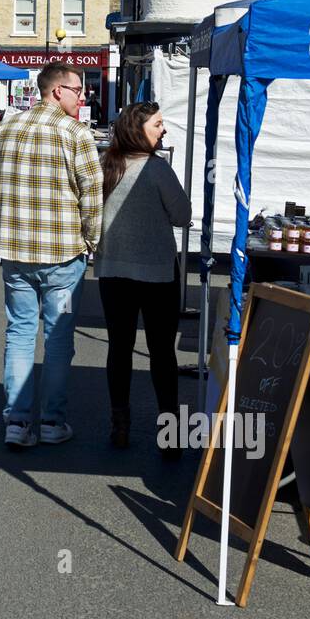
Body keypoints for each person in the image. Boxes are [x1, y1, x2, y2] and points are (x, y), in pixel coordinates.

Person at [0, 61, 103, 450]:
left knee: (19, 334)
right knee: (57, 340)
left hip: (15, 252)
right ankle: (52, 422)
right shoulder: (75, 134)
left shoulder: (6, 128)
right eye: (77, 90)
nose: (82, 96)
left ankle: (17, 423)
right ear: (56, 91)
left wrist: (2, 230)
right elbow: (92, 199)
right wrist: (93, 243)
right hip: (62, 254)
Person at [95, 103, 191, 453]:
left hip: (112, 270)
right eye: (158, 125)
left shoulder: (105, 164)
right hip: (156, 273)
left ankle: (119, 426)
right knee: (162, 352)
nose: (163, 130)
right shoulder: (157, 169)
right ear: (139, 129)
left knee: (119, 349)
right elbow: (182, 214)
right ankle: (170, 434)